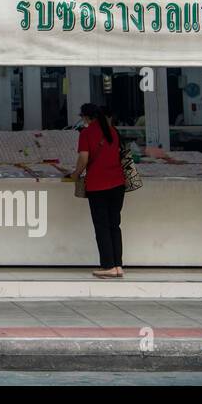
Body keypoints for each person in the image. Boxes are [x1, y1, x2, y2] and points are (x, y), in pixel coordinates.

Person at [76, 102, 127, 278]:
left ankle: (108, 265)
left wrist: (75, 173)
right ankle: (118, 265)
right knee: (114, 225)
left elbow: (83, 158)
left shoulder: (87, 133)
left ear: (86, 117)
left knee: (102, 226)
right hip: (118, 184)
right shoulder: (113, 131)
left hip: (98, 185)